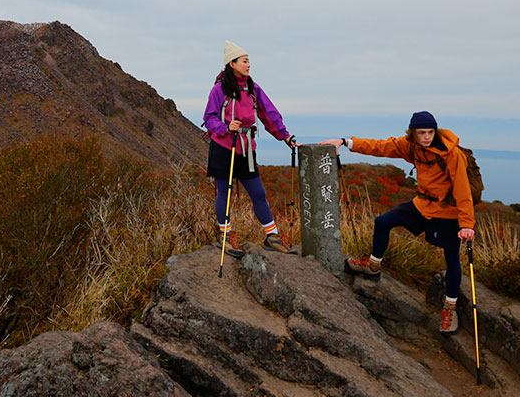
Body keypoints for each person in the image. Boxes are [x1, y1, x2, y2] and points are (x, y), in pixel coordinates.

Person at [320, 112, 475, 334]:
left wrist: (466, 224)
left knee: (451, 257)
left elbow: (463, 189)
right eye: (422, 132)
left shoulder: (451, 154)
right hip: (422, 204)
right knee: (383, 222)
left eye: (430, 132)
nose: (427, 137)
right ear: (413, 132)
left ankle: (450, 308)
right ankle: (373, 265)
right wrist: (345, 142)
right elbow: (380, 146)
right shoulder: (410, 146)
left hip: (447, 211)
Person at [203, 40, 299, 257]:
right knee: (224, 194)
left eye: (248, 61)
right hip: (223, 147)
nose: (249, 65)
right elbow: (208, 118)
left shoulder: (253, 89)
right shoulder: (219, 90)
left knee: (258, 192)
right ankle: (226, 236)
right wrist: (225, 126)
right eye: (245, 61)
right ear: (232, 64)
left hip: (246, 149)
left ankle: (271, 236)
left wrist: (284, 136)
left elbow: (269, 114)